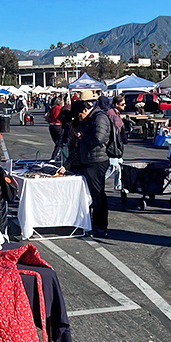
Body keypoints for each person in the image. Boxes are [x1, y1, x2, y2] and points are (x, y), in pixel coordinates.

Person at [75, 98, 111, 238]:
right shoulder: (93, 117)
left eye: (80, 115)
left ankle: (101, 225)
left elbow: (98, 138)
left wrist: (82, 136)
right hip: (92, 159)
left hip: (97, 160)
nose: (80, 118)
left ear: (85, 110)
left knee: (98, 194)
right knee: (95, 194)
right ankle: (96, 223)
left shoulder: (99, 118)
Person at [106, 95, 128, 191]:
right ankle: (99, 182)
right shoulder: (112, 114)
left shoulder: (115, 113)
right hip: (113, 144)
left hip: (116, 143)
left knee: (119, 167)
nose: (125, 105)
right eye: (122, 104)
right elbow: (117, 128)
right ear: (116, 104)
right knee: (113, 166)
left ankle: (118, 185)